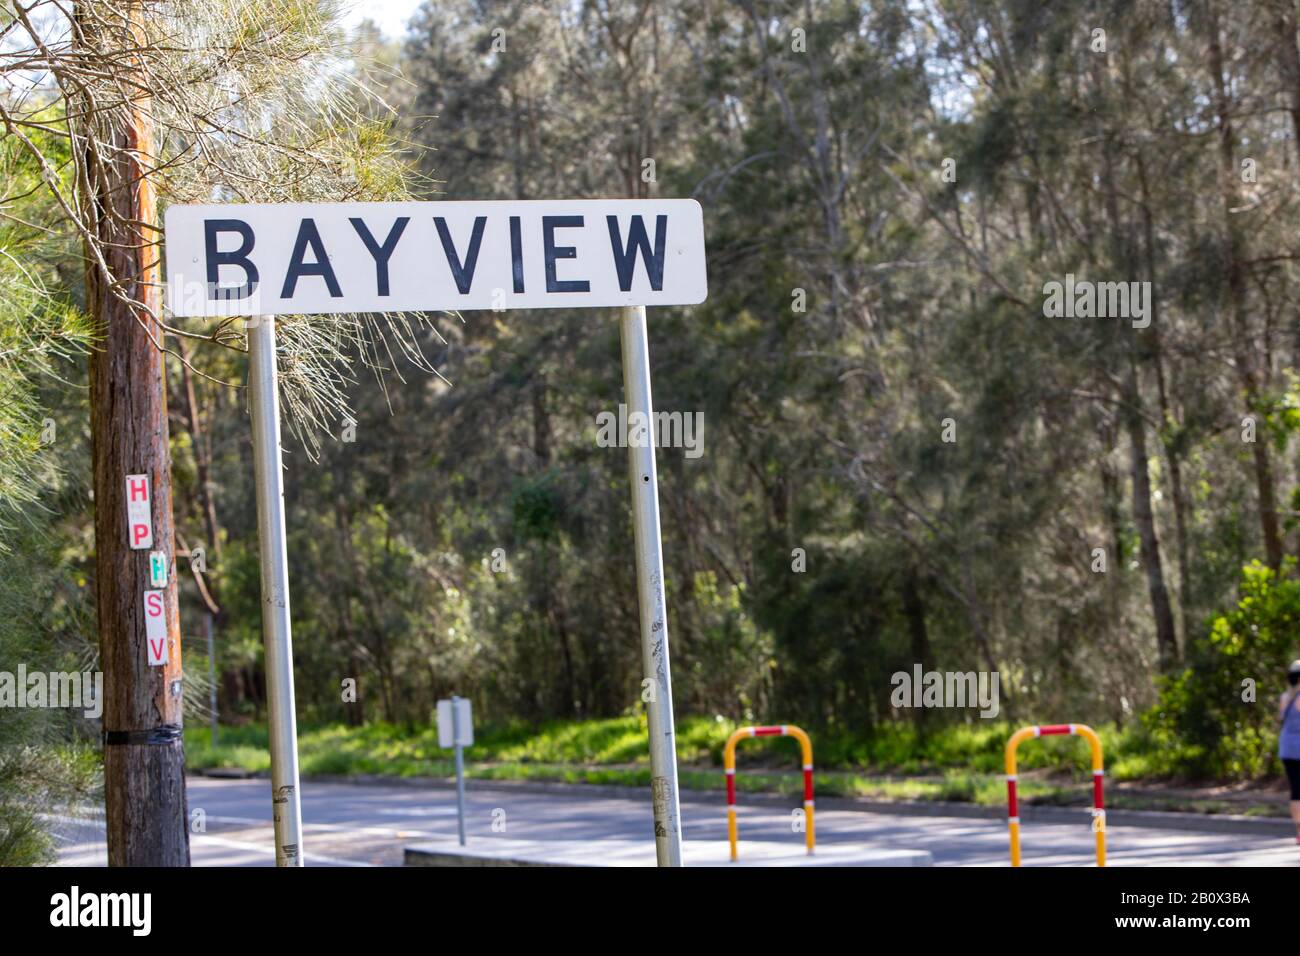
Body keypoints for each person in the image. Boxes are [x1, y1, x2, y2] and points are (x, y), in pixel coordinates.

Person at [1280, 659, 1300, 843]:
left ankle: (1299, 831)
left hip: (1287, 749)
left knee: (1295, 790)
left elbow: (1281, 719)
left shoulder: (1285, 697)